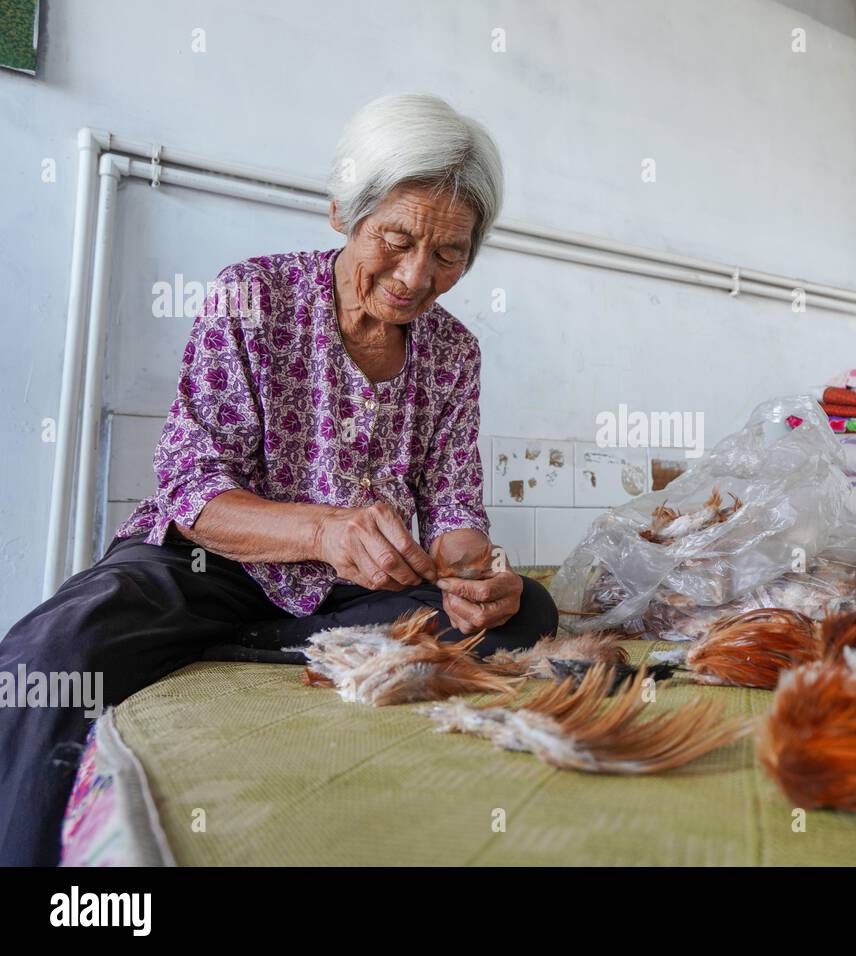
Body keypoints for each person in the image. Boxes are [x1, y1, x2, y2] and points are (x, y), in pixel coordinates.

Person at [0, 93, 557, 865]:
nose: (416, 275)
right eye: (396, 239)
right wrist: (325, 530)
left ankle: (265, 644)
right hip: (208, 566)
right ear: (343, 213)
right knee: (44, 662)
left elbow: (454, 499)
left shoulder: (454, 353)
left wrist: (471, 569)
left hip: (355, 590)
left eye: (450, 254)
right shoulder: (253, 295)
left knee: (526, 611)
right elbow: (193, 487)